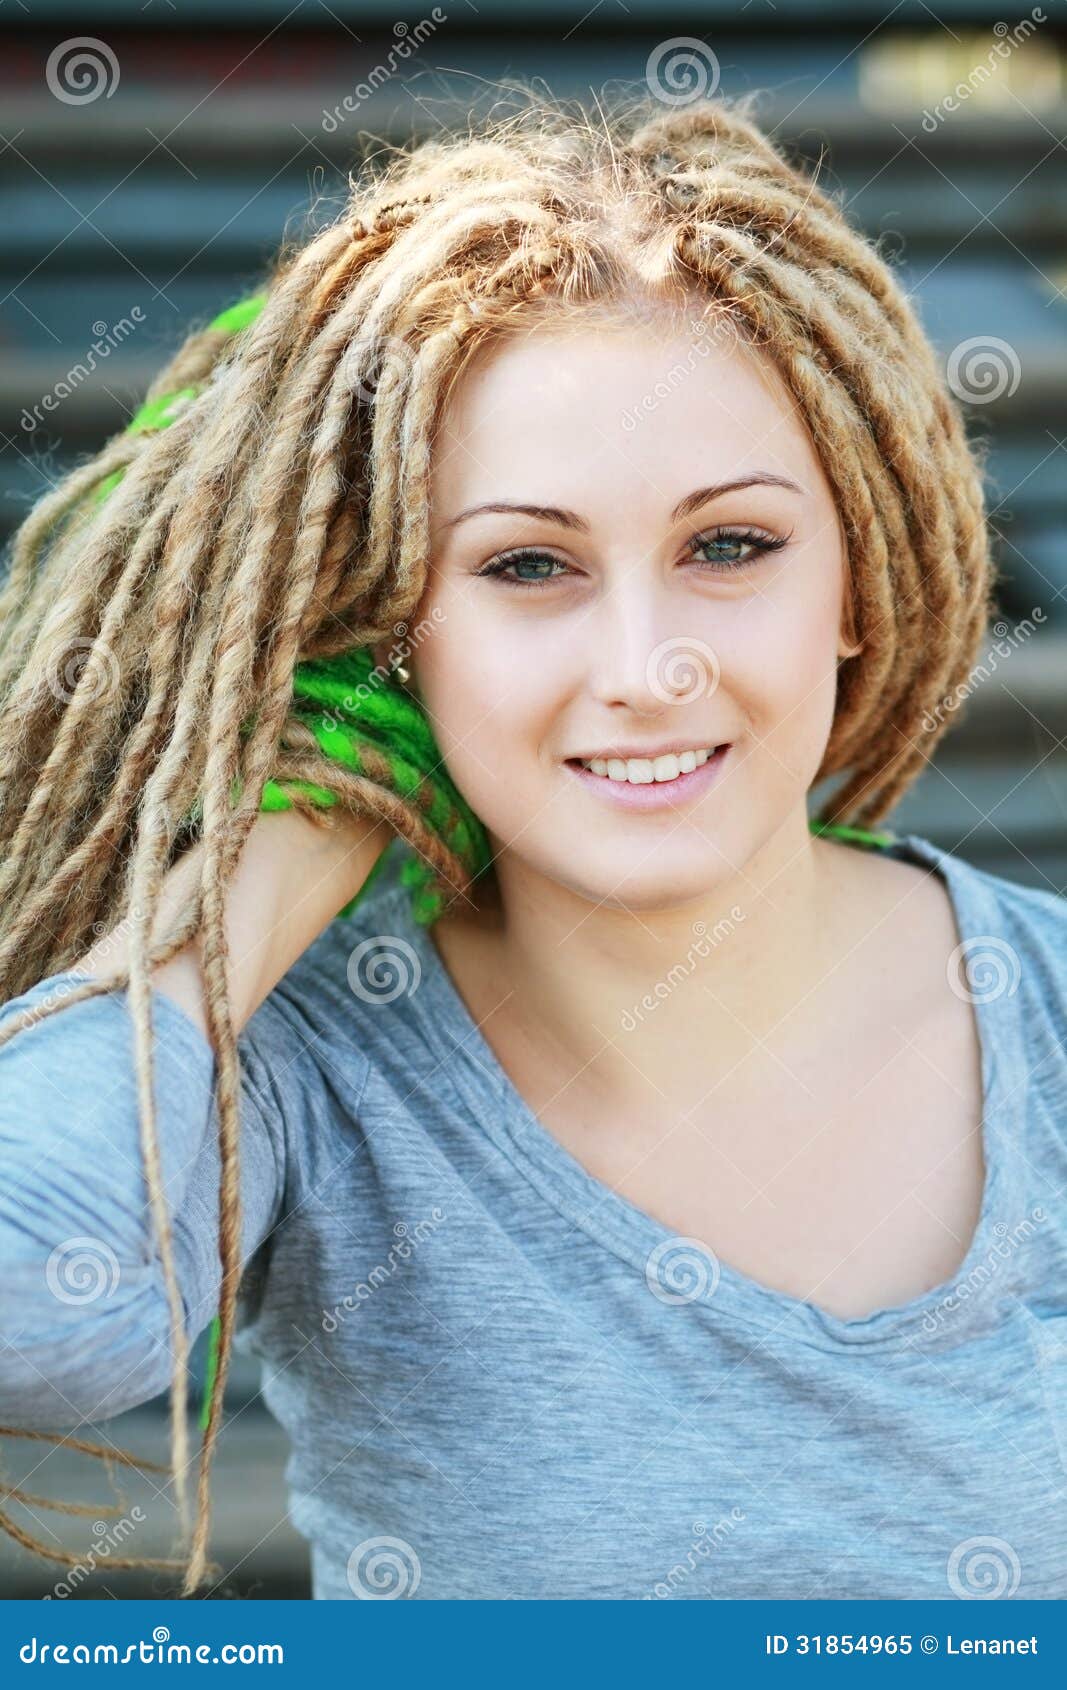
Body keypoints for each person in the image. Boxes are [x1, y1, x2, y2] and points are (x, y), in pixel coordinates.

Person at [1, 90, 1065, 1602]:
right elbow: (33, 1309)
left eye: (729, 546)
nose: (645, 665)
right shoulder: (317, 1063)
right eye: (526, 565)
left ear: (857, 577)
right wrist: (287, 845)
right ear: (387, 633)